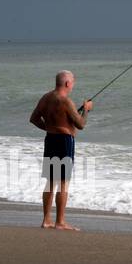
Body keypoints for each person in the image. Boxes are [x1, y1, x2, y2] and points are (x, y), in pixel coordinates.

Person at [29, 71, 93, 231]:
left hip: (50, 139)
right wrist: (86, 109)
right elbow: (81, 124)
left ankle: (46, 220)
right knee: (63, 183)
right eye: (72, 82)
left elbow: (34, 118)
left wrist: (50, 128)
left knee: (50, 181)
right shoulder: (65, 101)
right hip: (64, 142)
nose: (73, 85)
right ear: (67, 83)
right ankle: (60, 222)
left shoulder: (46, 98)